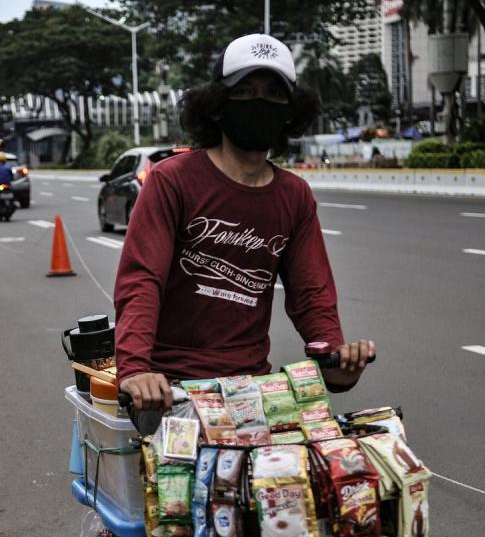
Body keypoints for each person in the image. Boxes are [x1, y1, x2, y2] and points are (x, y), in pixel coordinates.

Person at [114, 33, 375, 428]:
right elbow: (141, 280)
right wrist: (135, 370)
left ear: (289, 111)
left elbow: (311, 293)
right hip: (169, 388)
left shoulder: (294, 195)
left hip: (251, 390)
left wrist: (335, 355)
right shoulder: (173, 180)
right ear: (218, 105)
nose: (259, 103)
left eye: (273, 94)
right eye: (245, 92)